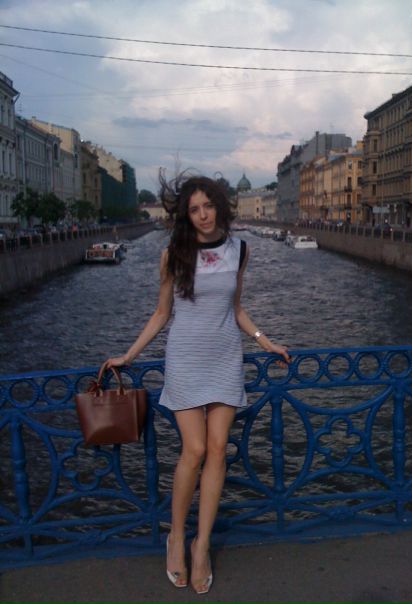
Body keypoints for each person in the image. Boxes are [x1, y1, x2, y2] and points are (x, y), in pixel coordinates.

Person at [105, 172, 289, 595]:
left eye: (208, 206)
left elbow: (236, 308)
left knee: (219, 450)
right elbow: (161, 313)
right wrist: (129, 356)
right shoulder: (174, 254)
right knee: (195, 450)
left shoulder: (239, 250)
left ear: (219, 206)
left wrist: (266, 341)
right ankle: (176, 537)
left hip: (225, 358)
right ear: (185, 215)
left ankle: (201, 545)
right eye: (194, 209)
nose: (203, 215)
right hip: (186, 360)